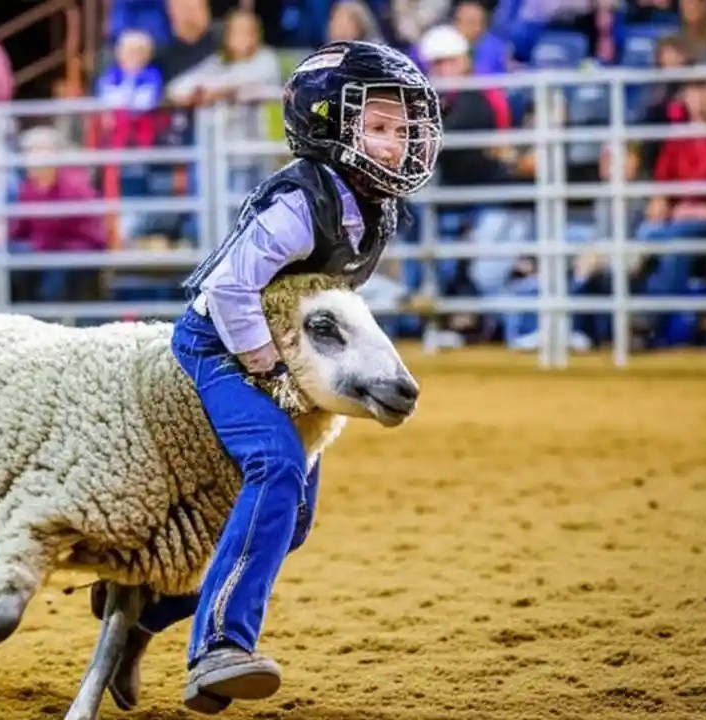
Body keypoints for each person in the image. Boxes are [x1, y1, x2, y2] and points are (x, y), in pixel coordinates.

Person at [87, 39, 442, 714]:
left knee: (295, 521)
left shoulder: (373, 206)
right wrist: (273, 371)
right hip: (222, 342)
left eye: (403, 130)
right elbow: (227, 292)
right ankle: (220, 646)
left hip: (278, 347)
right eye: (377, 127)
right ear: (327, 124)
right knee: (277, 467)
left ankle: (142, 618)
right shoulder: (299, 202)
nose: (396, 144)